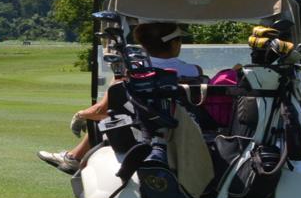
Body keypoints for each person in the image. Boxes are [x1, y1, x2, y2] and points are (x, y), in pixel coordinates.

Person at [38, 21, 203, 175]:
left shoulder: (131, 71)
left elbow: (102, 110)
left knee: (105, 118)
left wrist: (81, 115)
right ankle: (74, 157)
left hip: (143, 131)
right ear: (174, 44)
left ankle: (74, 158)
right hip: (189, 128)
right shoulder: (194, 71)